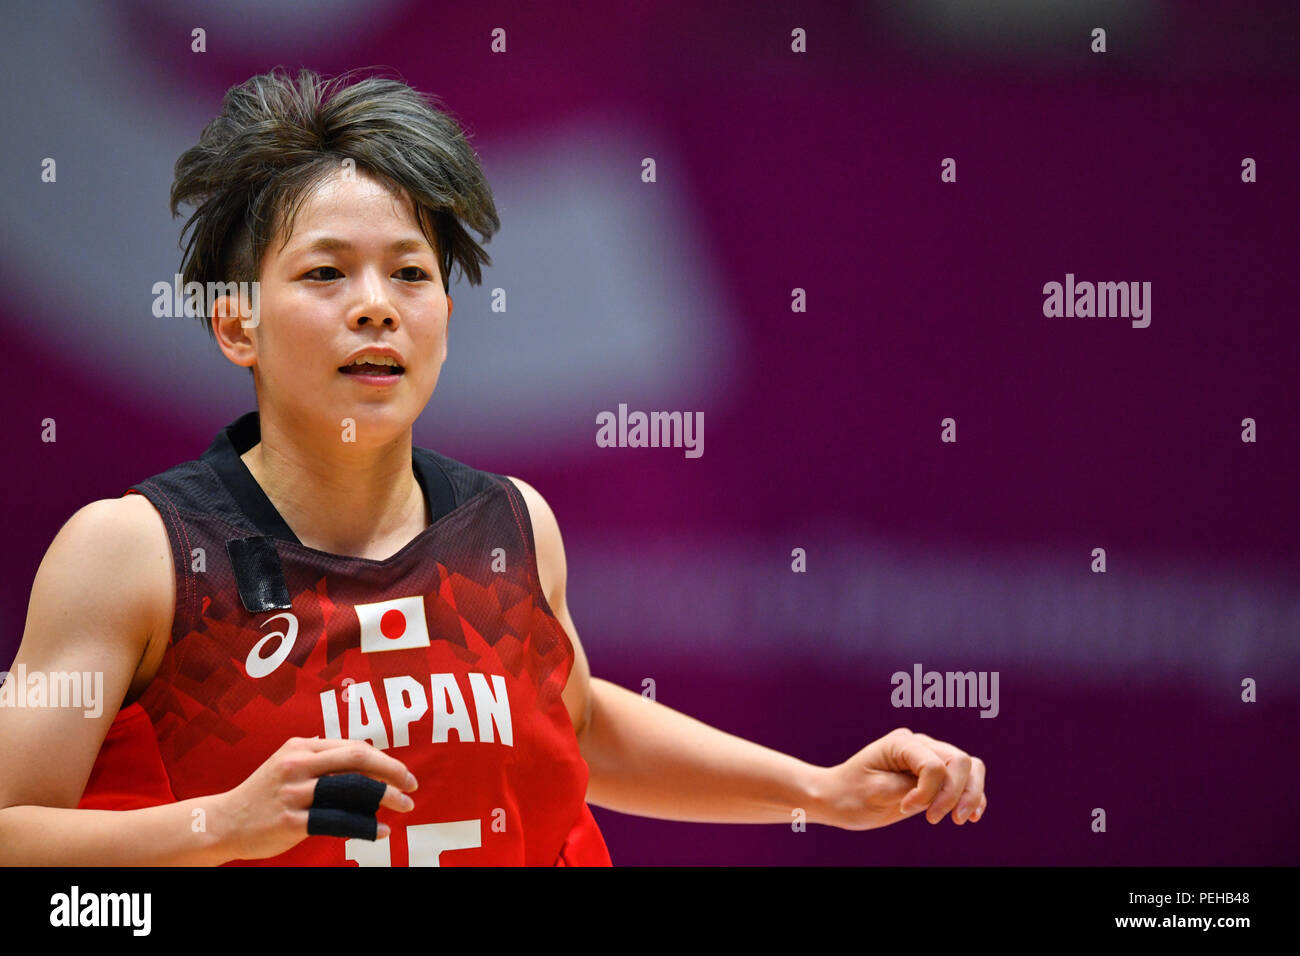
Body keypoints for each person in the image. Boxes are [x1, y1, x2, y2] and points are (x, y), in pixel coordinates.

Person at [0, 68, 986, 866]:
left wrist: (818, 789)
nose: (376, 305)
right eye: (325, 272)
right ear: (234, 322)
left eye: (411, 273)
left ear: (445, 317)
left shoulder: (513, 523)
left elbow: (574, 722)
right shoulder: (129, 553)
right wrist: (220, 825)